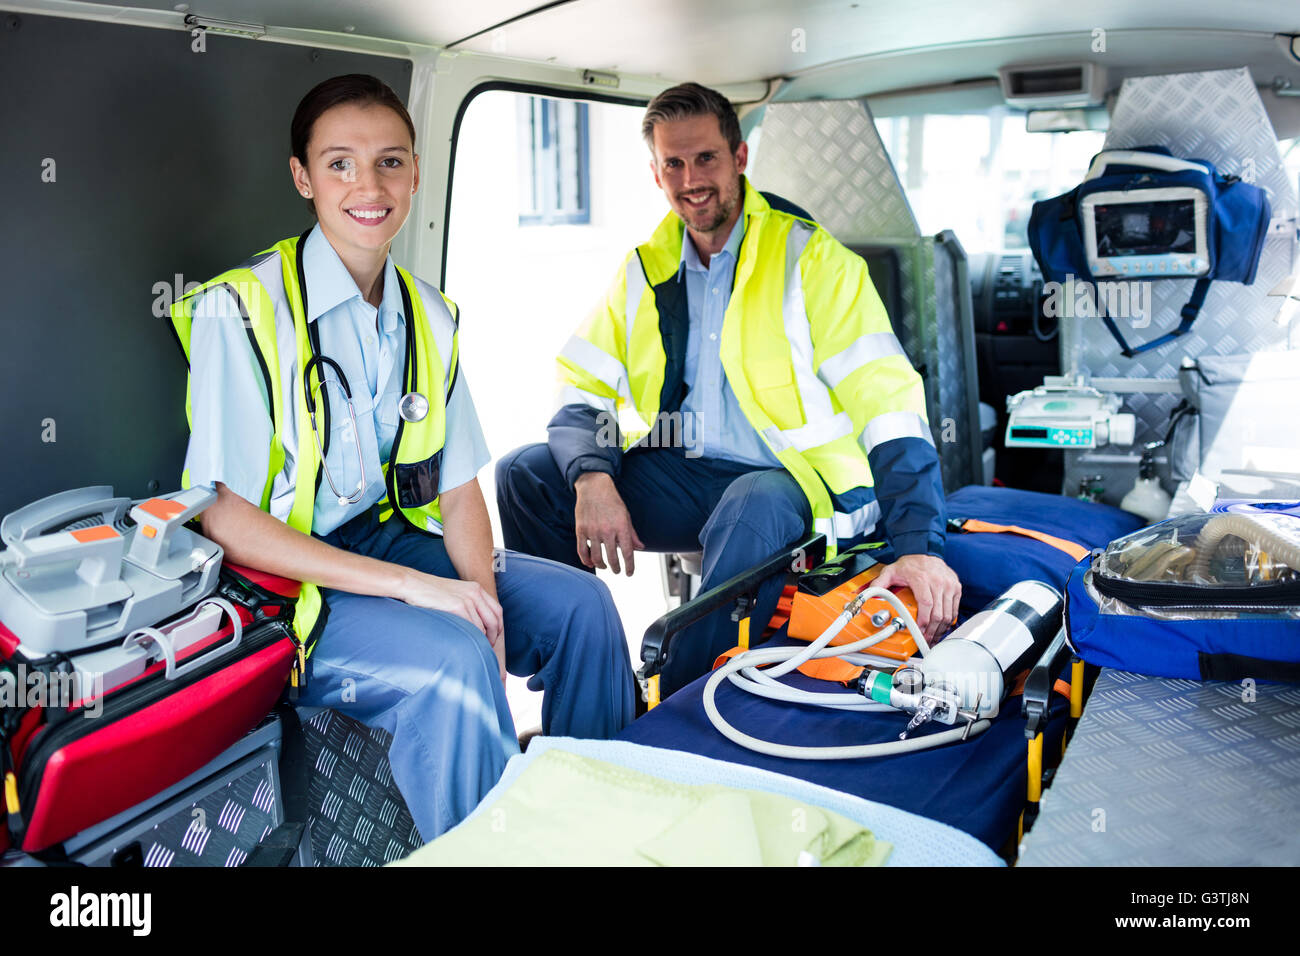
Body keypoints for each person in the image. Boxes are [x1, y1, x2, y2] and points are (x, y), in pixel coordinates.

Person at [170, 74, 634, 841]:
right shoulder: (240, 309)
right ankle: (497, 855)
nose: (369, 186)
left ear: (416, 173)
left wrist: (480, 601)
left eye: (390, 162)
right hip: (281, 585)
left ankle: (596, 822)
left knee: (581, 610)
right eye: (340, 164)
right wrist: (420, 590)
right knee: (452, 665)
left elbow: (457, 489)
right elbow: (223, 517)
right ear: (303, 177)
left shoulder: (430, 315)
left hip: (382, 539)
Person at [496, 82, 960, 697]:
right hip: (683, 472)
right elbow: (581, 382)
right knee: (525, 473)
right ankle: (580, 672)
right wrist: (593, 478)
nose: (691, 179)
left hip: (796, 484)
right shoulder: (644, 269)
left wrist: (920, 544)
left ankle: (679, 704)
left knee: (751, 503)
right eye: (674, 164)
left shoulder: (812, 260)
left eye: (706, 158)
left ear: (739, 159)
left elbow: (889, 404)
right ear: (656, 173)